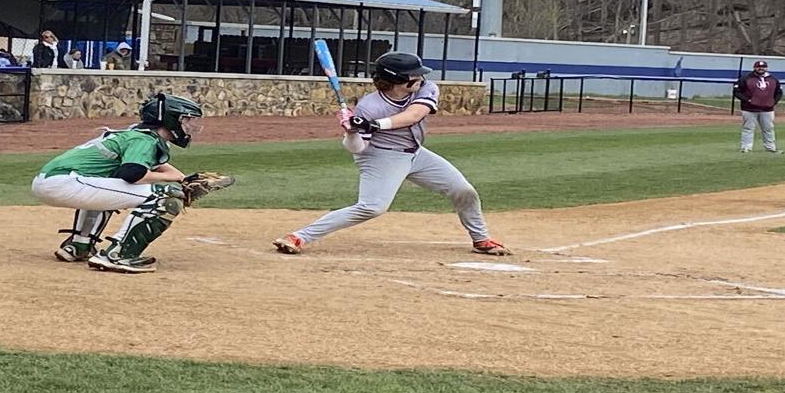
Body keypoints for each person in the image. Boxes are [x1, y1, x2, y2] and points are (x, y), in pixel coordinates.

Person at [272, 52, 509, 257]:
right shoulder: (370, 106)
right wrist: (352, 131)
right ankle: (298, 237)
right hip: (381, 157)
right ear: (398, 80)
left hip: (416, 153)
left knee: (463, 190)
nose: (421, 77)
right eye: (414, 75)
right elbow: (357, 149)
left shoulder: (425, 88)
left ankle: (481, 239)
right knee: (372, 207)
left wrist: (373, 125)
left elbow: (414, 115)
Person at [30, 93, 233, 274]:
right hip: (67, 182)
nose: (190, 126)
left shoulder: (139, 135)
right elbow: (131, 174)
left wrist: (182, 179)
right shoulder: (145, 140)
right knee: (166, 196)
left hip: (54, 181)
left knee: (109, 189)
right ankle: (117, 255)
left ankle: (79, 245)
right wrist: (174, 184)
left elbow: (157, 167)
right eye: (186, 120)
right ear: (170, 119)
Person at [733, 59, 783, 154]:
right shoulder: (746, 78)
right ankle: (746, 148)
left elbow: (779, 92)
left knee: (768, 129)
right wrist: (747, 100)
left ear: (766, 68)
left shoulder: (773, 79)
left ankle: (770, 147)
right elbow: (737, 91)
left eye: (763, 67)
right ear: (754, 68)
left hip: (767, 109)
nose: (761, 68)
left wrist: (773, 102)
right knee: (748, 128)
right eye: (758, 67)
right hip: (749, 109)